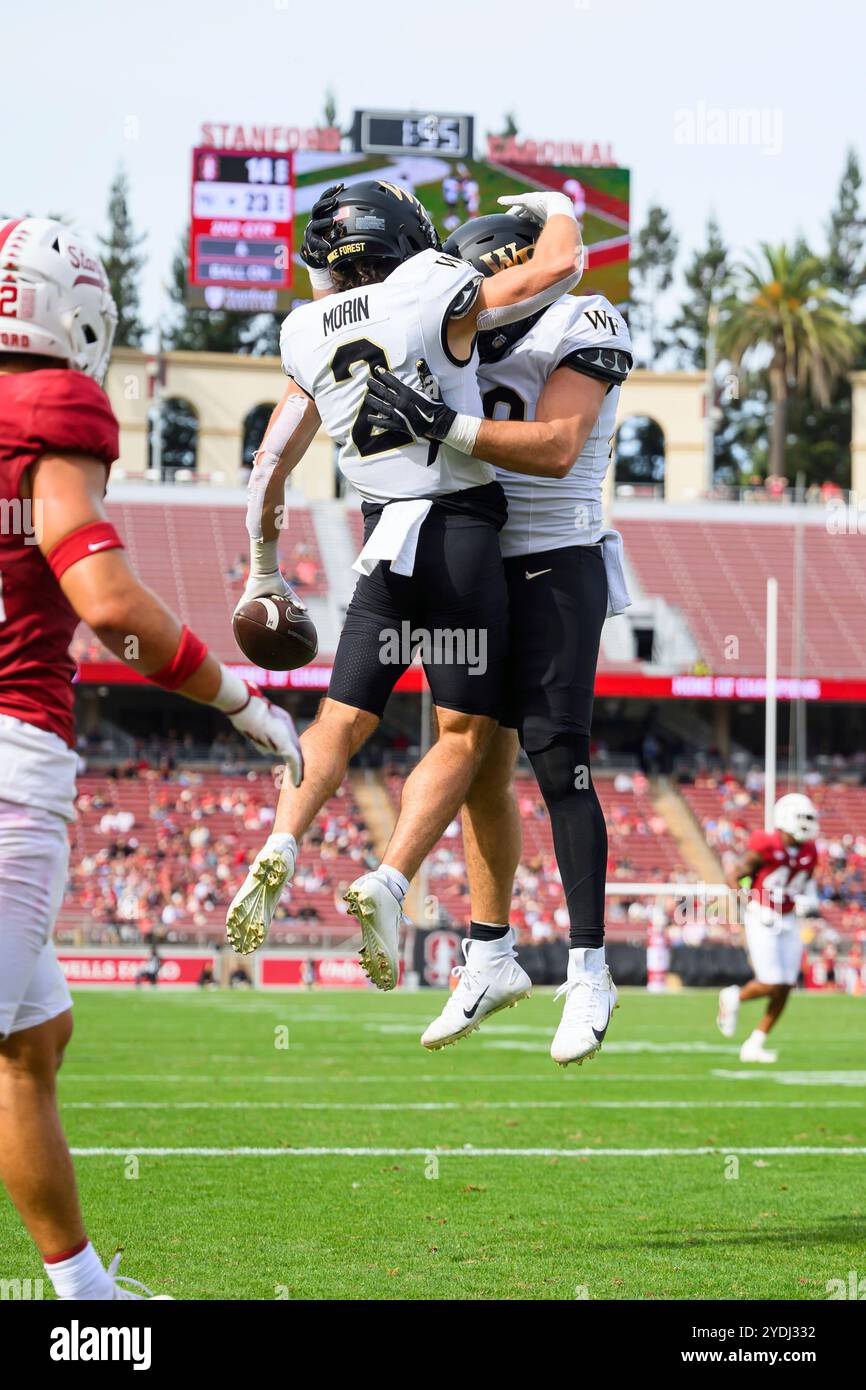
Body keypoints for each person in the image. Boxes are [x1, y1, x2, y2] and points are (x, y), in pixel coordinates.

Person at [0, 216, 303, 1300]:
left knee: (34, 1038)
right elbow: (107, 600)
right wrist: (237, 699)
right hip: (10, 752)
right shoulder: (51, 402)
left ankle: (81, 1293)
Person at [225, 181, 583, 992]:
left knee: (339, 718)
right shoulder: (430, 289)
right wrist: (559, 206)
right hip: (457, 535)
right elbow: (556, 271)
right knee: (463, 735)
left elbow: (268, 465)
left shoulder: (304, 331)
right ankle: (389, 879)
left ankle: (282, 841)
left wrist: (266, 571)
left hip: (380, 549)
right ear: (403, 238)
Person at [364, 209, 632, 1064]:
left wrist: (438, 423)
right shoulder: (458, 335)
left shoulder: (582, 317)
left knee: (559, 754)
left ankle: (590, 968)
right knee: (472, 749)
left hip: (557, 560)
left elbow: (555, 447)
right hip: (476, 561)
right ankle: (489, 953)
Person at [718, 794, 820, 1061]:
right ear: (786, 818)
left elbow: (807, 884)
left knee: (786, 985)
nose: (808, 824)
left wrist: (808, 900)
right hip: (762, 916)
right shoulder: (766, 843)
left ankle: (755, 1043)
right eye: (803, 818)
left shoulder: (810, 851)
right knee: (771, 981)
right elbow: (734, 875)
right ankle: (734, 996)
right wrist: (748, 904)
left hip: (788, 919)